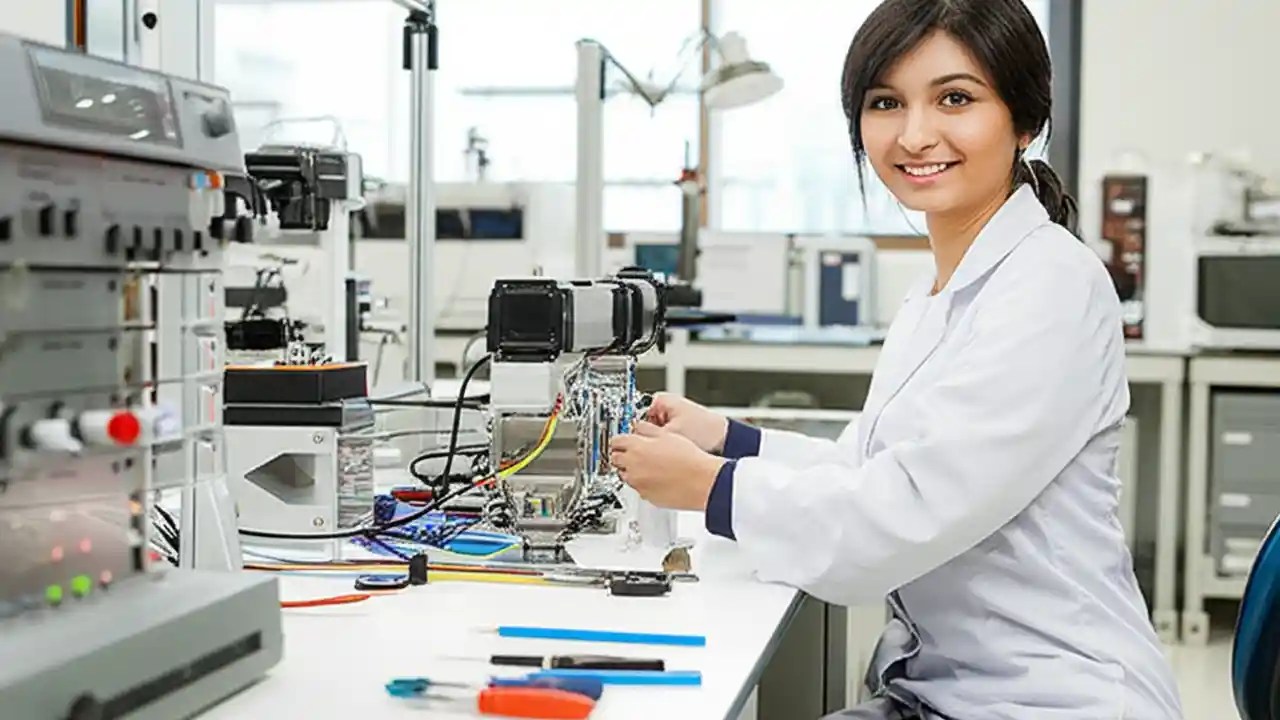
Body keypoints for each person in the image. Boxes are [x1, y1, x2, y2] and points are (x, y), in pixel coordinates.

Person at [608, 0, 1184, 718]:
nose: (915, 135)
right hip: (950, 687)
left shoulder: (1050, 287)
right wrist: (728, 440)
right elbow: (872, 472)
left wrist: (712, 488)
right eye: (886, 103)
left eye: (955, 98)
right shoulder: (941, 288)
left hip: (1047, 696)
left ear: (1026, 121)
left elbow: (895, 519)